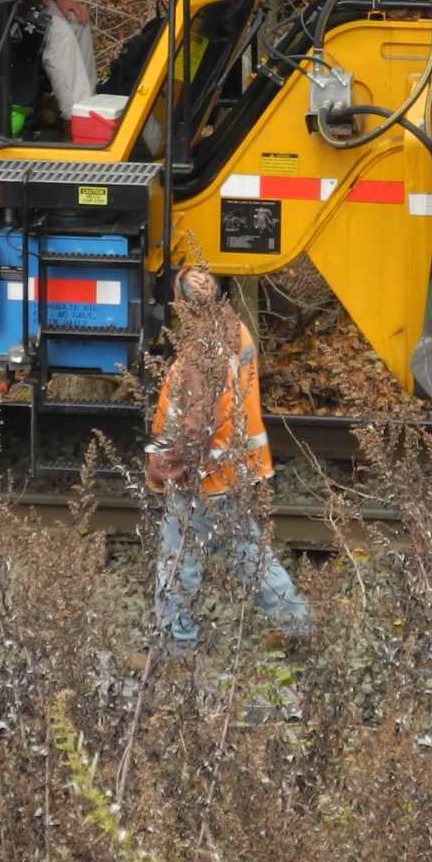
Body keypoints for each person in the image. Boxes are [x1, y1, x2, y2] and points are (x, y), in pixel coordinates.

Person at [146, 264, 312, 653]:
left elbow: (195, 426)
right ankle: (298, 625)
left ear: (182, 306)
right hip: (236, 470)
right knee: (250, 555)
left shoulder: (200, 353)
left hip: (203, 477)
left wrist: (166, 468)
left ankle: (175, 649)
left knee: (178, 563)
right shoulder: (234, 330)